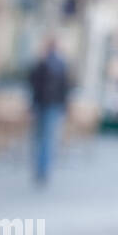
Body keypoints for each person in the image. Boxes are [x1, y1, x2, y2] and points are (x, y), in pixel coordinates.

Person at [28, 39, 70, 186]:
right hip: (52, 106)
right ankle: (43, 169)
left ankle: (41, 169)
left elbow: (33, 82)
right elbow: (65, 87)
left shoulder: (44, 63)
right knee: (47, 139)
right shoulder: (60, 65)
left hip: (43, 105)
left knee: (41, 138)